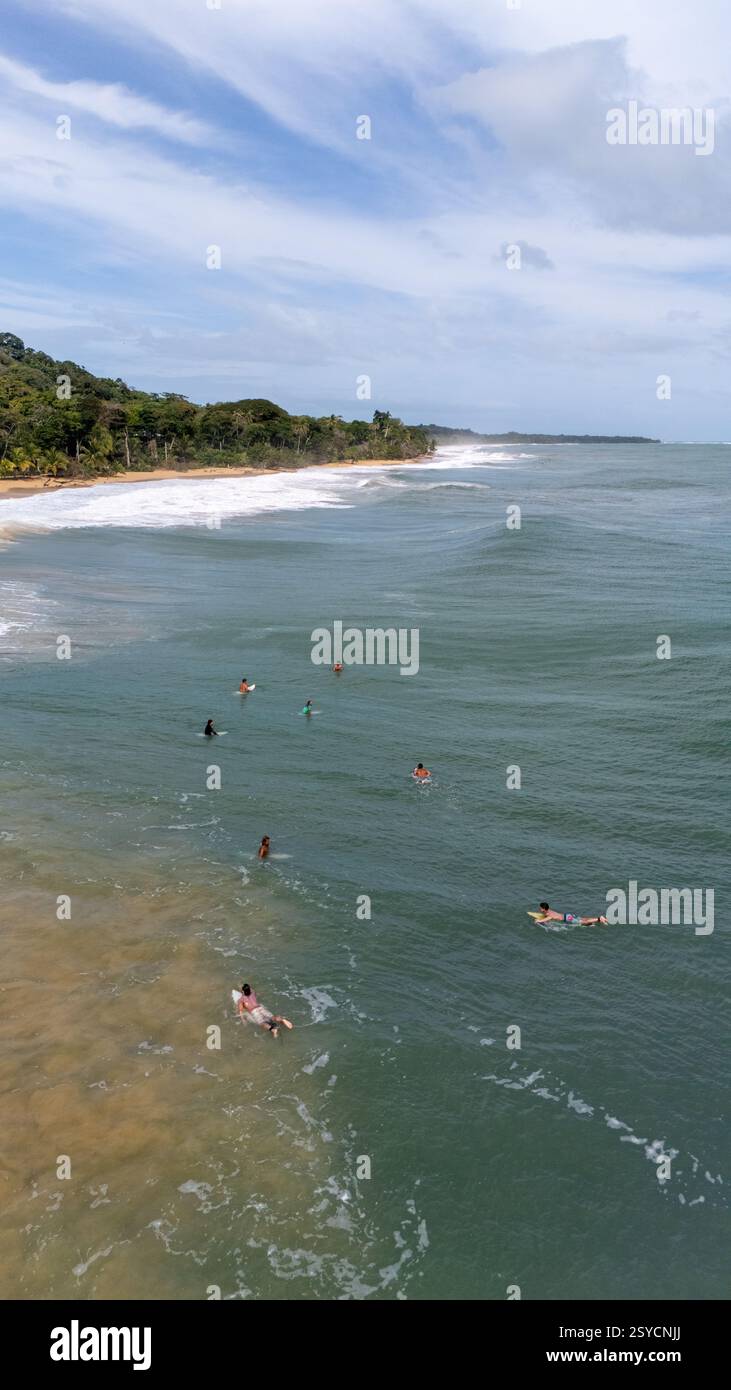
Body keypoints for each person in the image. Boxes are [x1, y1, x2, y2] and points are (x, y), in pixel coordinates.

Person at [537, 901, 608, 927]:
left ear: (543, 909)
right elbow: (548, 916)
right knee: (584, 919)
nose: (540, 909)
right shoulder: (549, 910)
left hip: (567, 918)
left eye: (540, 908)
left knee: (583, 922)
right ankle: (600, 920)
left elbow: (549, 918)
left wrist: (538, 921)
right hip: (568, 915)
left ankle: (599, 919)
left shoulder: (549, 914)